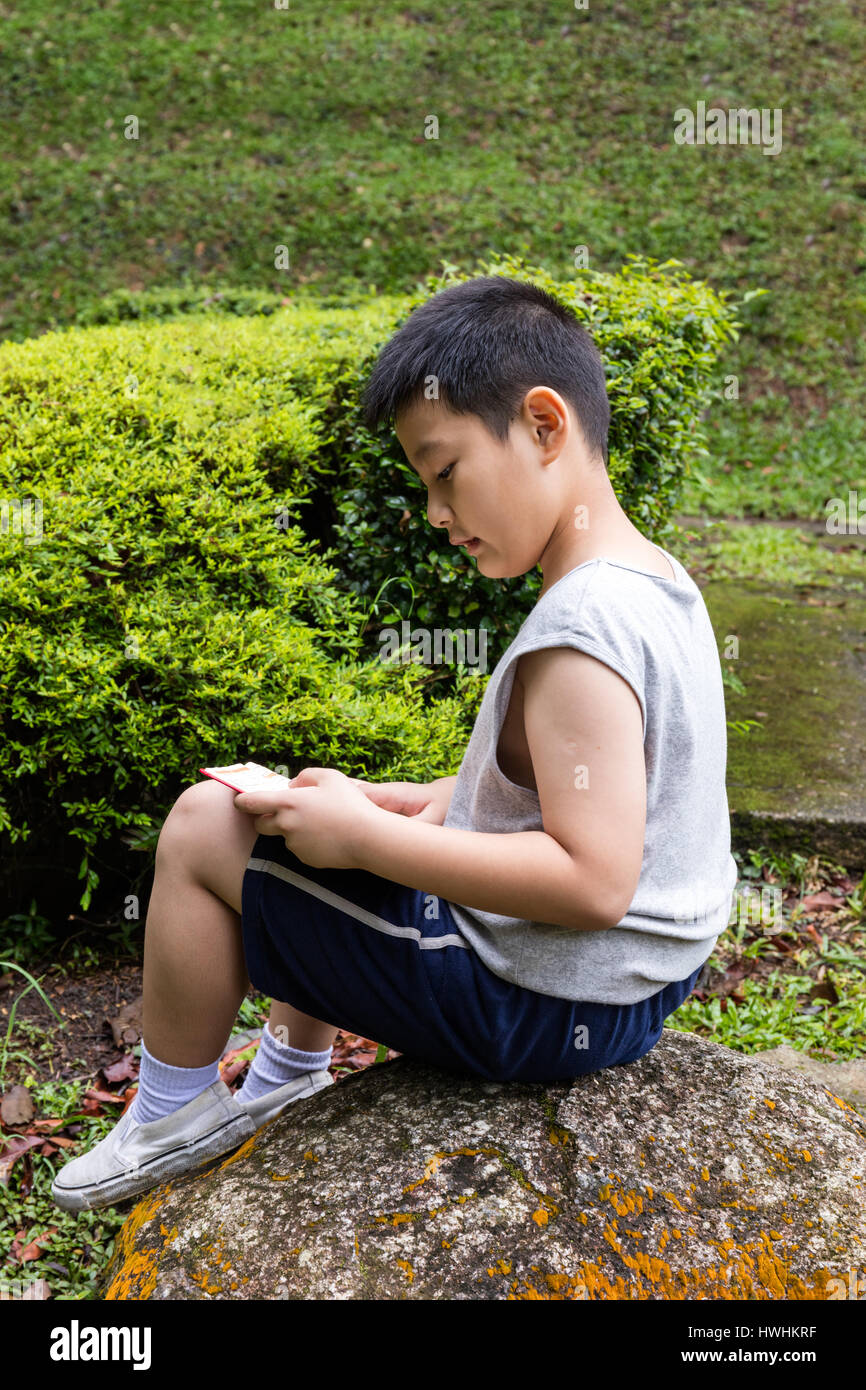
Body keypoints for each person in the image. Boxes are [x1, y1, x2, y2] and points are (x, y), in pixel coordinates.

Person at [51, 275, 738, 1213]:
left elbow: (593, 879)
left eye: (445, 471)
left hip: (539, 1002)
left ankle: (172, 1109)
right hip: (634, 992)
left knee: (207, 823)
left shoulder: (582, 625)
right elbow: (607, 789)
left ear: (544, 426)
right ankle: (290, 1071)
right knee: (317, 815)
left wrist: (370, 840)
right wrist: (430, 798)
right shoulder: (651, 579)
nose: (435, 513)